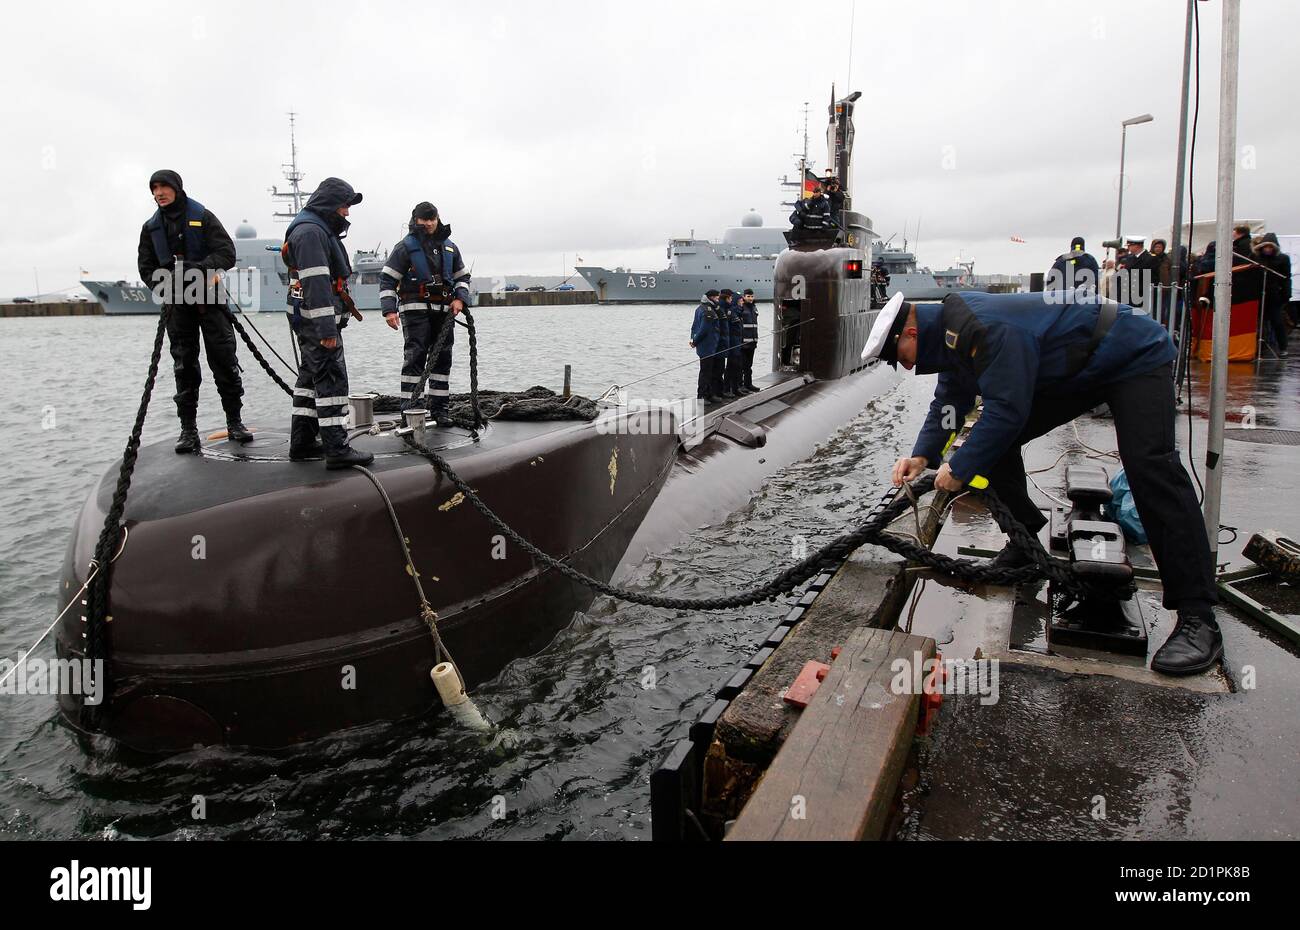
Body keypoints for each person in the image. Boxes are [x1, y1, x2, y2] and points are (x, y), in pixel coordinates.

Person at [864, 290, 1222, 676]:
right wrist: (921, 455)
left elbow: (1007, 410)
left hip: (1131, 353)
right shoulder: (951, 337)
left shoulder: (984, 328)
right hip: (1075, 365)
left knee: (1152, 471)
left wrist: (962, 467)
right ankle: (1025, 538)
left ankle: (1198, 617)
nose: (905, 365)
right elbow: (950, 403)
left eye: (900, 356)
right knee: (992, 449)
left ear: (912, 333)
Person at [137, 169, 251, 454]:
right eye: (154, 188)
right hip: (178, 306)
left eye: (163, 187)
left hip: (210, 302)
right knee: (184, 367)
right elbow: (146, 268)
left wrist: (198, 269)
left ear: (176, 188)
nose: (158, 193)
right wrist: (163, 286)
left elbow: (227, 252)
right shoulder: (151, 229)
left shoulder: (204, 217)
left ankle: (235, 422)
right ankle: (188, 431)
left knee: (225, 361)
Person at [282, 177, 373, 469]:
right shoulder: (311, 233)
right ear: (330, 205)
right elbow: (317, 283)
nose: (347, 213)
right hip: (317, 322)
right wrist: (327, 331)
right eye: (345, 206)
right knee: (331, 379)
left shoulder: (312, 228)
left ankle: (303, 442)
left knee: (310, 379)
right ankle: (336, 448)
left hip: (309, 319)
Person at [378, 202, 472, 421]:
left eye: (432, 219)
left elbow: (462, 278)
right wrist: (389, 311)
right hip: (415, 311)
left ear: (438, 219)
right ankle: (411, 411)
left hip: (444, 312)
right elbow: (388, 280)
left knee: (442, 359)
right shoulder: (405, 247)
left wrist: (460, 298)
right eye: (424, 220)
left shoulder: (450, 247)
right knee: (415, 357)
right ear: (416, 220)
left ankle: (440, 411)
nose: (429, 224)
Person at [1254, 232, 1292, 357]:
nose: (1268, 250)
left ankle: (1283, 348)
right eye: (1266, 247)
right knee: (1257, 323)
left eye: (1271, 247)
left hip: (1274, 296)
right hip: (1257, 295)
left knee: (1277, 322)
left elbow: (1286, 278)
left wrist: (1286, 294)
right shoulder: (1256, 258)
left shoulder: (1283, 259)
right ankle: (1257, 347)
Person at [690, 289, 722, 402]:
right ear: (712, 298)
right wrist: (695, 341)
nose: (718, 300)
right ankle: (702, 396)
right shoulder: (708, 311)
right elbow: (704, 330)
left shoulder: (700, 308)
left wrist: (693, 340)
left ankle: (709, 394)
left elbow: (693, 327)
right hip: (707, 346)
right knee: (706, 372)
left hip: (706, 346)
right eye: (717, 298)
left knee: (708, 371)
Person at [718, 289, 743, 397]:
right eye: (740, 300)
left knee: (736, 366)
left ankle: (735, 388)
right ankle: (727, 389)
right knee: (730, 367)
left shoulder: (735, 312)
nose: (742, 302)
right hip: (732, 343)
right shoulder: (729, 312)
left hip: (737, 342)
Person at [739, 288, 760, 392]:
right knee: (742, 365)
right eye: (748, 296)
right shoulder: (741, 307)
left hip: (752, 342)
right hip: (743, 343)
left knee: (749, 366)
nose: (750, 298)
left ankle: (748, 384)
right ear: (744, 297)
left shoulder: (754, 308)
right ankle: (740, 385)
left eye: (752, 296)